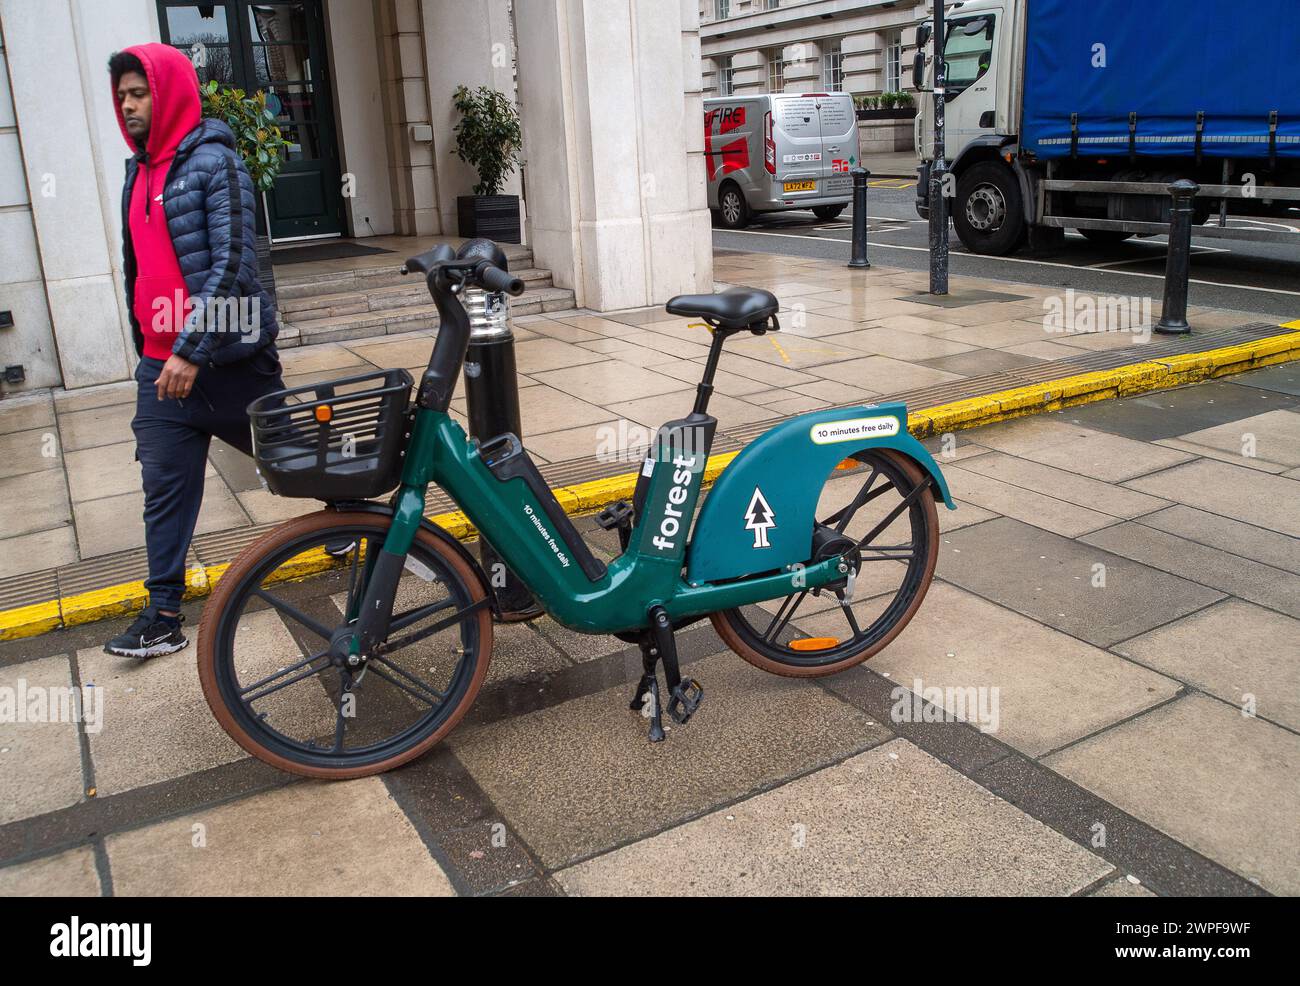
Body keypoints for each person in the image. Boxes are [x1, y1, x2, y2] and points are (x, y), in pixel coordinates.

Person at [104, 43, 284, 658]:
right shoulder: (137, 170)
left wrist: (192, 350)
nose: (127, 106)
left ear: (169, 92)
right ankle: (162, 616)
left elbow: (233, 262)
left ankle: (351, 511)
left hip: (228, 362)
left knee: (289, 455)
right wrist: (159, 349)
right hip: (161, 366)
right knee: (164, 487)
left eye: (139, 93)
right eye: (122, 96)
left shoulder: (217, 164)